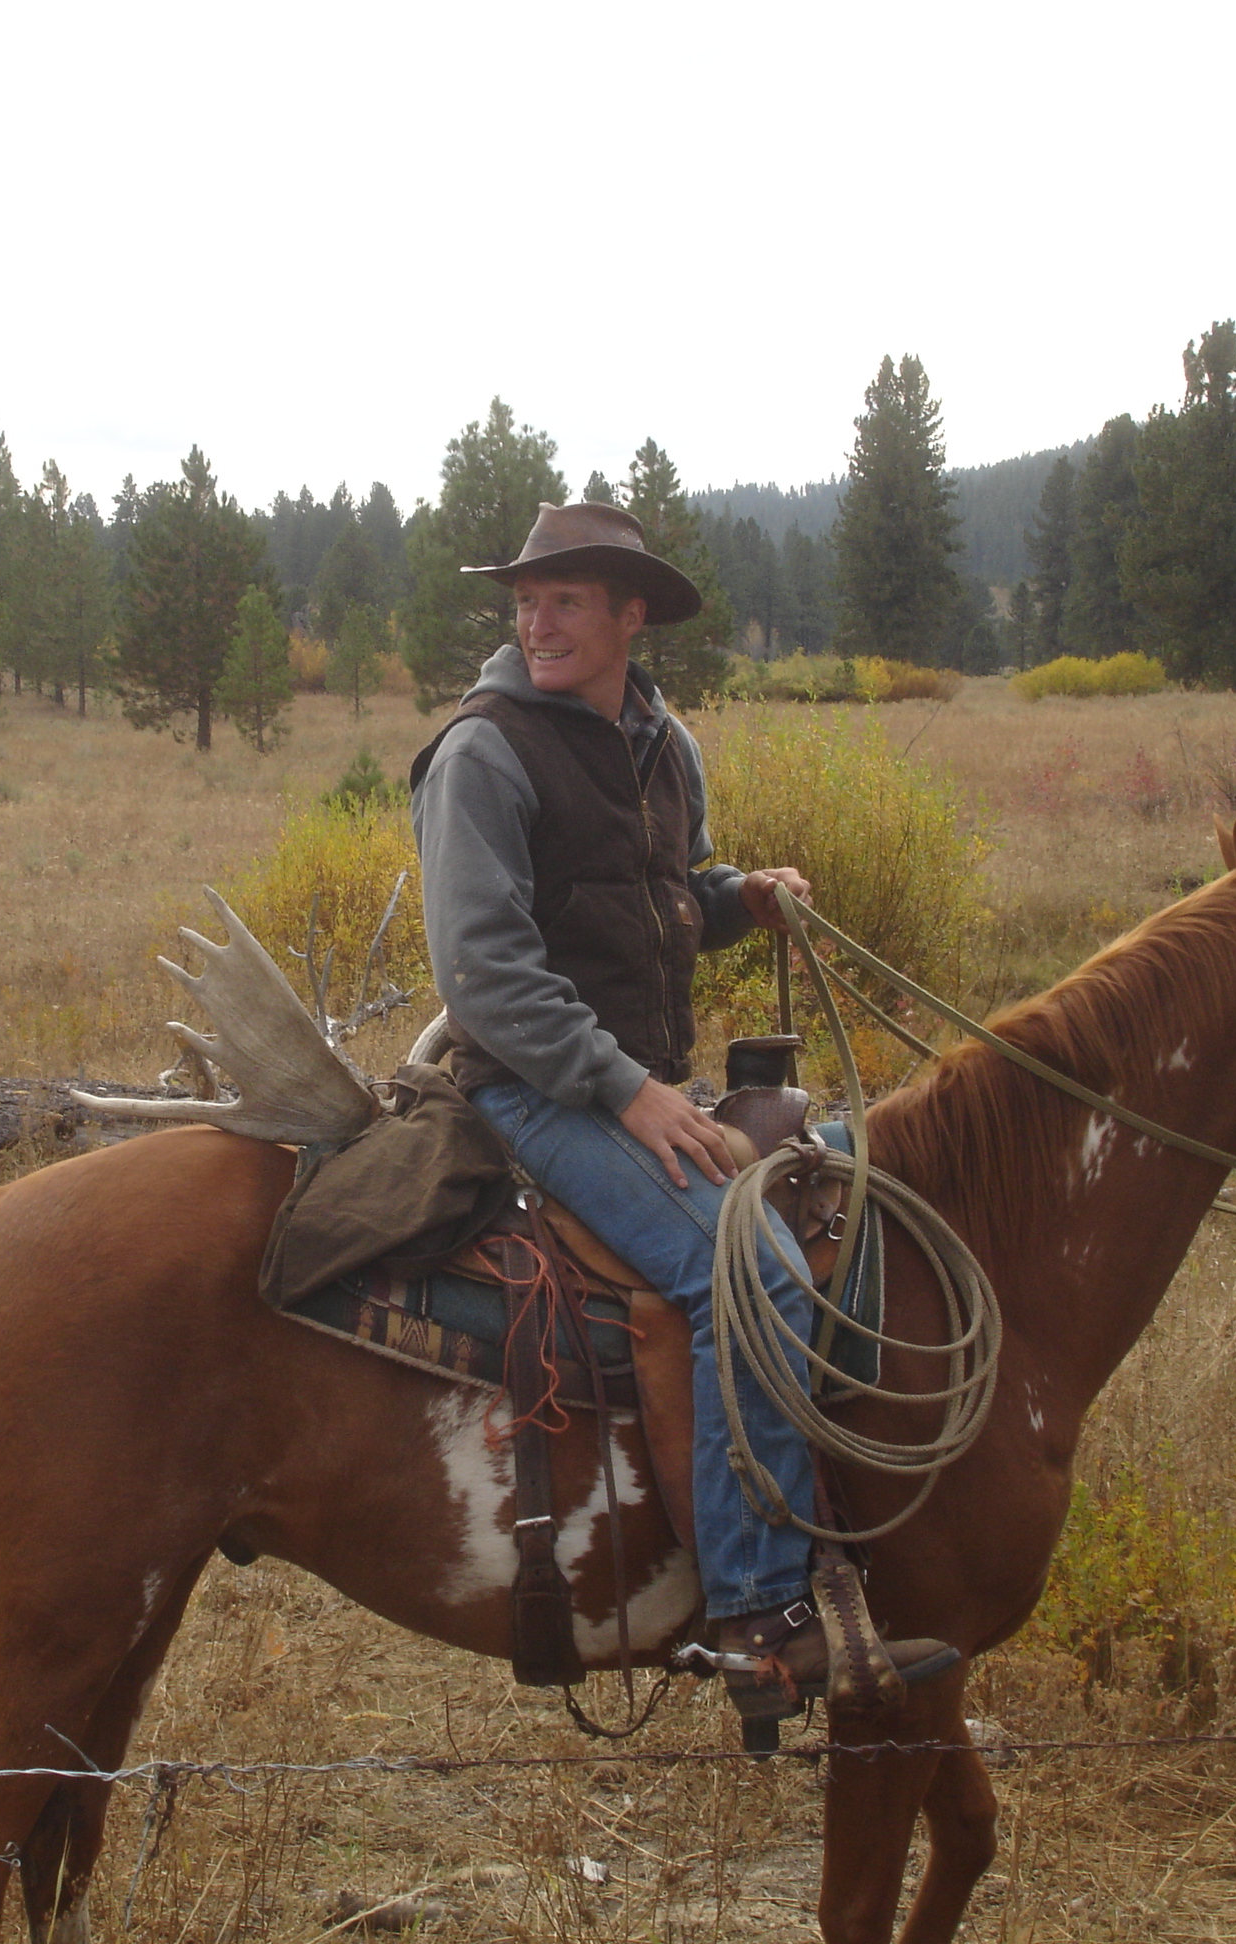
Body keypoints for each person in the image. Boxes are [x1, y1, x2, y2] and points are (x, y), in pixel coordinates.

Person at [408, 502, 942, 1727]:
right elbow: (484, 972)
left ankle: (830, 1528)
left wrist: (741, 896)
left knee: (846, 1190)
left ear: (630, 616)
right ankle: (759, 1614)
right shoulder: (483, 752)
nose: (539, 623)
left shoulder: (663, 742)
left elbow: (661, 891)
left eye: (567, 603)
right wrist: (629, 1092)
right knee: (742, 1266)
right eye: (527, 603)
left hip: (637, 1077)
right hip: (536, 1089)